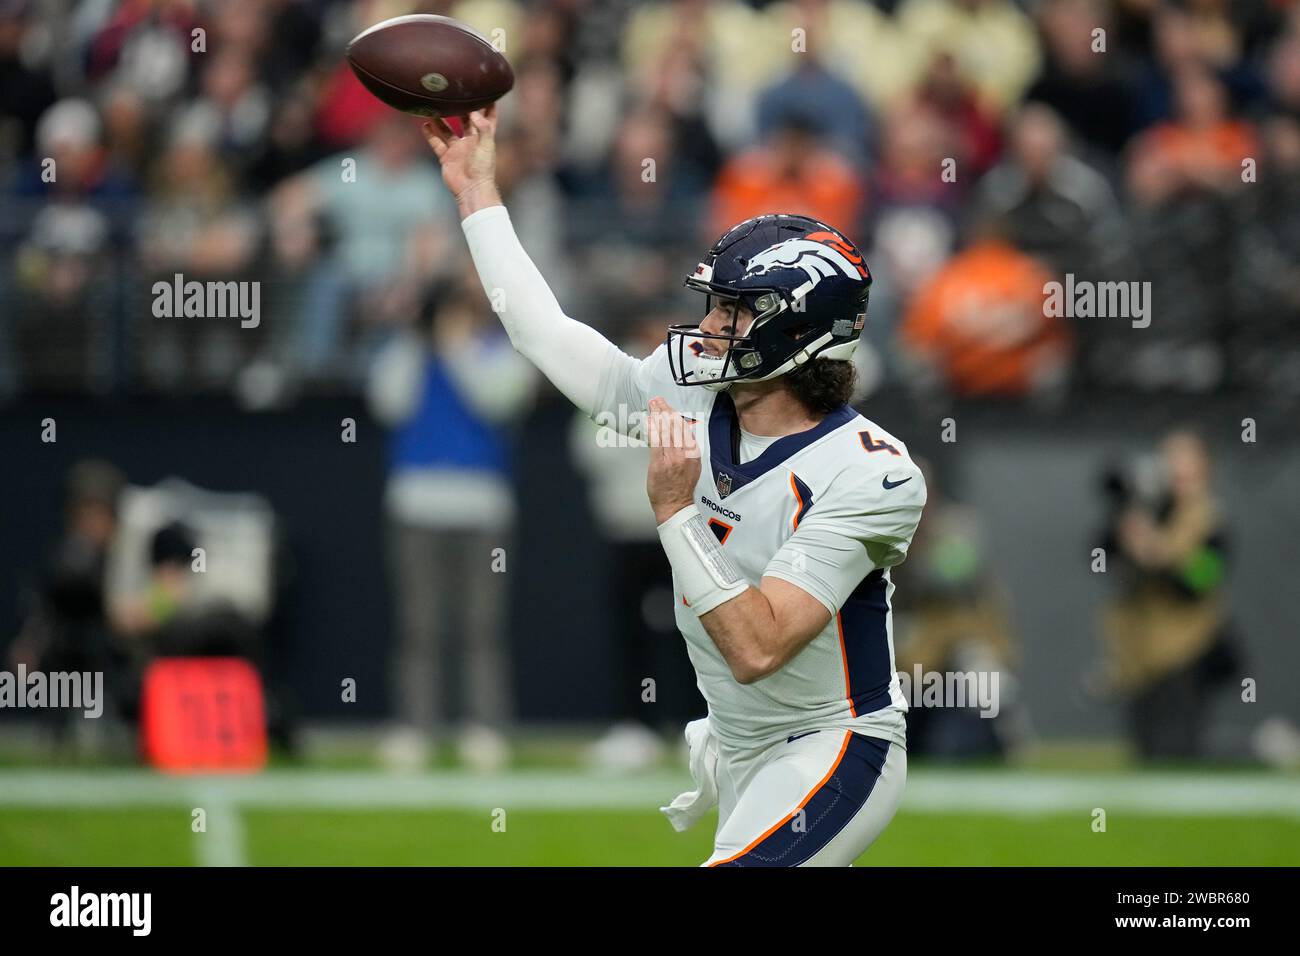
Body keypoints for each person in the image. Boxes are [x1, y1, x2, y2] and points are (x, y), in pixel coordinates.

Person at [423, 105, 926, 867]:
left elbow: (758, 647)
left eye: (734, 309)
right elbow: (543, 334)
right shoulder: (690, 394)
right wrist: (476, 196)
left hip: (835, 744)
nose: (710, 325)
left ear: (798, 330)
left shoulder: (869, 471)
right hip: (739, 744)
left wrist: (673, 510)